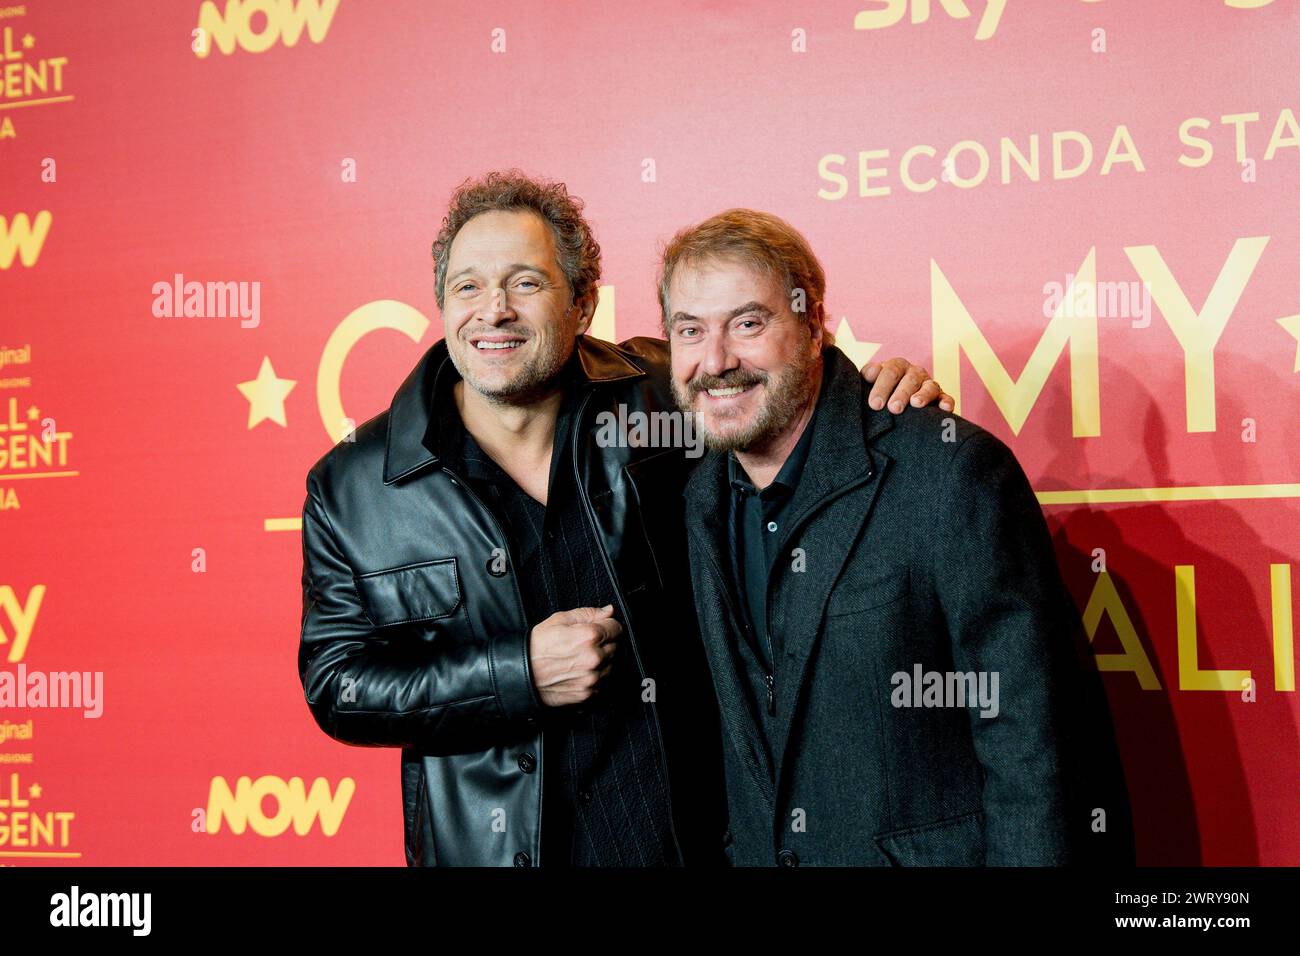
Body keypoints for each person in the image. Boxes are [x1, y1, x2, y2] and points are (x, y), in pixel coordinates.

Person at [297, 170, 951, 866]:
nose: (493, 311)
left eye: (525, 282)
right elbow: (338, 684)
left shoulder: (661, 394)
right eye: (468, 287)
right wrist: (516, 672)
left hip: (699, 844)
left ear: (582, 303)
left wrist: (875, 396)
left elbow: (778, 387)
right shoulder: (356, 483)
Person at [663, 209, 1135, 866]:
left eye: (748, 323)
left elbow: (1034, 749)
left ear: (811, 320)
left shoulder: (947, 475)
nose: (716, 360)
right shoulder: (696, 499)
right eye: (690, 330)